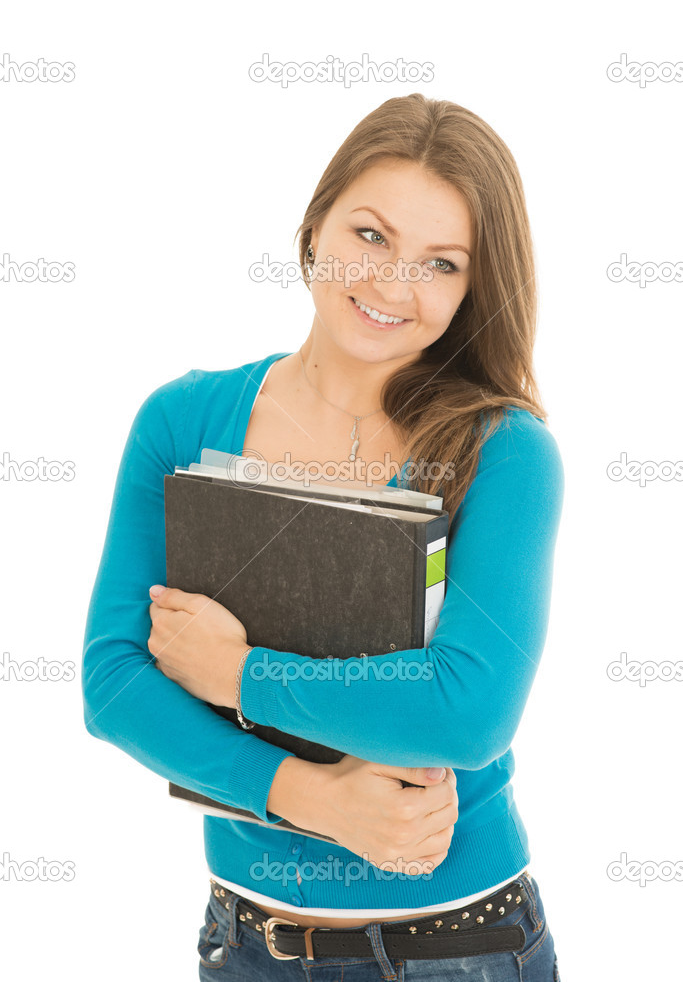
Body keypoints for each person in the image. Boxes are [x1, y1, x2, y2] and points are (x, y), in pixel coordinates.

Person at [82, 93, 564, 980]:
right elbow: (114, 685)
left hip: (455, 948)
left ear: (473, 289)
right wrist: (307, 797)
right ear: (314, 227)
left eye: (441, 262)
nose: (391, 284)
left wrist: (236, 674)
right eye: (371, 236)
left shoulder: (504, 451)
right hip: (245, 943)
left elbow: (467, 710)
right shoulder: (183, 420)